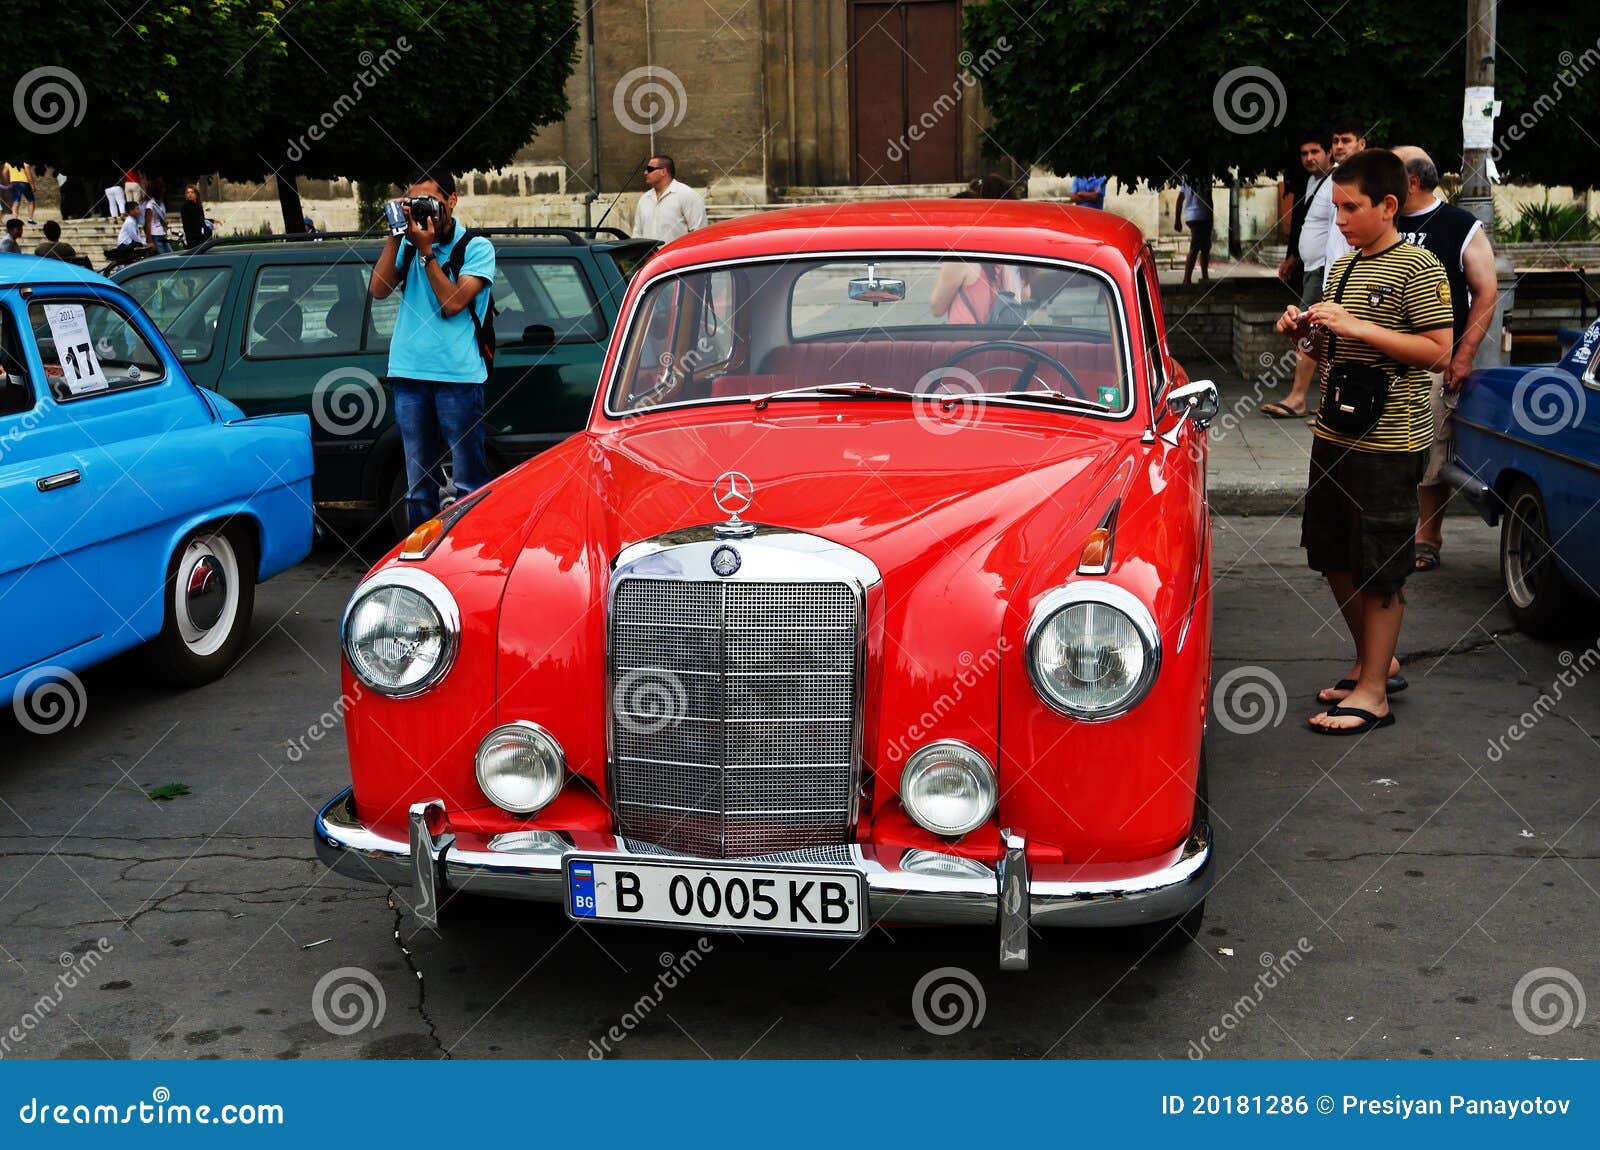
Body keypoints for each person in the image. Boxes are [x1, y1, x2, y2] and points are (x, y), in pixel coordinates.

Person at [1274, 148, 1453, 735]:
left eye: (1351, 208)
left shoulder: (1418, 267)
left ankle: (1374, 692)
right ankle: (1373, 663)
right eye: (1336, 208)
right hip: (1334, 429)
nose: (1341, 220)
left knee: (1379, 564)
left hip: (1389, 440)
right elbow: (1332, 351)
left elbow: (1437, 351)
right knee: (1331, 553)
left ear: (1389, 205)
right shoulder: (1345, 268)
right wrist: (1307, 332)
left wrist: (1356, 326)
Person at [1391, 145, 1499, 574]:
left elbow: (1486, 290)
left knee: (1431, 452)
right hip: (1383, 356)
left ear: (1412, 181)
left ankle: (1427, 536)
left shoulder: (1460, 225)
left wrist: (1464, 356)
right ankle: (1389, 530)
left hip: (1435, 361)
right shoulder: (1384, 220)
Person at [368, 168, 496, 529]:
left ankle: (471, 551)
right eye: (414, 203)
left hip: (457, 375)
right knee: (418, 487)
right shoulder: (408, 243)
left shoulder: (476, 247)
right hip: (409, 373)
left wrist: (426, 253)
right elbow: (378, 290)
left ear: (451, 200)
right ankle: (423, 565)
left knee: (468, 481)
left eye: (430, 202)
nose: (423, 211)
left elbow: (452, 303)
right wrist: (396, 236)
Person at [1262, 122, 1365, 419]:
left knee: (1311, 332)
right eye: (1335, 140)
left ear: (1362, 143)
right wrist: (1295, 256)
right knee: (1317, 333)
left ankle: (1302, 399)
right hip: (1319, 268)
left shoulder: (1352, 181)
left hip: (1329, 270)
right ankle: (1325, 402)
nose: (1339, 146)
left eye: (1346, 140)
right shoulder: (1320, 181)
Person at [631, 155, 707, 243]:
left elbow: (699, 233)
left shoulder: (687, 195)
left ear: (663, 171)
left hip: (677, 256)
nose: (645, 172)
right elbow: (637, 234)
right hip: (650, 256)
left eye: (650, 169)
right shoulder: (644, 199)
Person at [1174, 177, 1213, 284]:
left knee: (1205, 247)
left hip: (1191, 216)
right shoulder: (1205, 177)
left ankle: (1205, 277)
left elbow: (1179, 200)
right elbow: (1208, 199)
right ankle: (1187, 279)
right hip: (1202, 216)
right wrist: (1211, 218)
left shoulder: (1186, 178)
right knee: (1196, 247)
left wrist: (1177, 220)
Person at [143, 176, 172, 253]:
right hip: (155, 235)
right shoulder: (150, 205)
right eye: (162, 188)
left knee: (170, 254)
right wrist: (149, 241)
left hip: (162, 233)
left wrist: (164, 221)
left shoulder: (160, 203)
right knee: (162, 258)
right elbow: (147, 223)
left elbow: (159, 218)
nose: (164, 190)